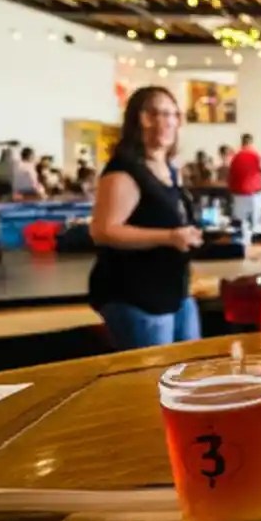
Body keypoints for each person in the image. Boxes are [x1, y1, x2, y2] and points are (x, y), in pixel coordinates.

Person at [88, 86, 203, 350]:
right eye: (155, 114)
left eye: (171, 114)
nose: (164, 122)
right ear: (138, 119)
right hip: (137, 294)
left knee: (190, 372)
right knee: (154, 381)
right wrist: (169, 237)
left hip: (174, 289)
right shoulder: (124, 171)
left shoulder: (169, 170)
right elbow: (104, 230)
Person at [229, 133, 261, 234]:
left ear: (241, 143)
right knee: (256, 227)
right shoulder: (255, 156)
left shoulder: (235, 158)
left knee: (240, 228)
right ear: (251, 143)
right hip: (253, 196)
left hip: (238, 197)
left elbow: (231, 177)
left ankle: (241, 245)